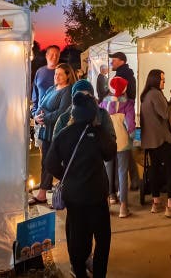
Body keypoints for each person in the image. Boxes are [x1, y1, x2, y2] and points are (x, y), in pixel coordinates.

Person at [47, 79, 116, 278]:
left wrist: (66, 175)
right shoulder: (98, 132)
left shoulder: (64, 134)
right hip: (96, 194)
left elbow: (50, 163)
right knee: (102, 238)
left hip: (74, 196)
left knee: (76, 237)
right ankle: (99, 274)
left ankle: (79, 272)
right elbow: (110, 153)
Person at [29, 63, 75, 206]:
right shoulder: (51, 88)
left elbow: (61, 113)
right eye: (55, 74)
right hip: (45, 131)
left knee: (51, 163)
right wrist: (37, 116)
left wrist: (44, 117)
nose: (56, 76)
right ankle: (43, 192)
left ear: (68, 75)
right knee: (45, 162)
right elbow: (40, 106)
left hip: (56, 132)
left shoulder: (68, 91)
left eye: (60, 74)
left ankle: (69, 184)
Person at [139, 68, 171, 217]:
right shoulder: (156, 94)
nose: (164, 82)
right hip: (163, 139)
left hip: (150, 141)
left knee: (154, 171)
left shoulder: (145, 96)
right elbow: (166, 114)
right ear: (155, 80)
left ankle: (156, 203)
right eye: (162, 79)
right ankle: (170, 206)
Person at [100, 76, 135, 218]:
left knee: (107, 172)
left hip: (107, 141)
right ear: (124, 89)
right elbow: (130, 125)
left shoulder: (103, 103)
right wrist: (133, 138)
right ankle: (123, 207)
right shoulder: (128, 104)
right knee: (122, 172)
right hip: (123, 142)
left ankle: (109, 201)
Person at [109, 51, 140, 190]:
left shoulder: (121, 76)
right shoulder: (128, 74)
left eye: (114, 60)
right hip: (126, 119)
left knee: (120, 158)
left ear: (122, 61)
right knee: (127, 151)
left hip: (120, 120)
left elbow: (122, 101)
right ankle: (134, 181)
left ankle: (118, 190)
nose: (112, 62)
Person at [32, 45, 61, 112]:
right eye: (52, 54)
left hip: (57, 115)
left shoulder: (63, 72)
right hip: (40, 114)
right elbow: (35, 94)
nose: (55, 57)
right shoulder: (40, 71)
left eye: (57, 55)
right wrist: (34, 112)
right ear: (46, 55)